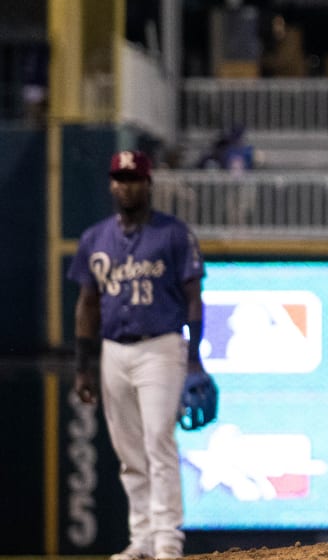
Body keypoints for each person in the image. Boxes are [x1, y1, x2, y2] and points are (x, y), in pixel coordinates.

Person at [70, 151, 209, 560]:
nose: (124, 185)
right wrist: (83, 365)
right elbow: (87, 304)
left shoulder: (172, 233)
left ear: (148, 183)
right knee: (129, 451)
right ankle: (143, 540)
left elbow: (194, 298)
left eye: (132, 178)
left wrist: (194, 357)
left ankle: (168, 539)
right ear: (111, 184)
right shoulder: (95, 238)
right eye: (118, 178)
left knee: (158, 440)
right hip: (113, 350)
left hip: (161, 346)